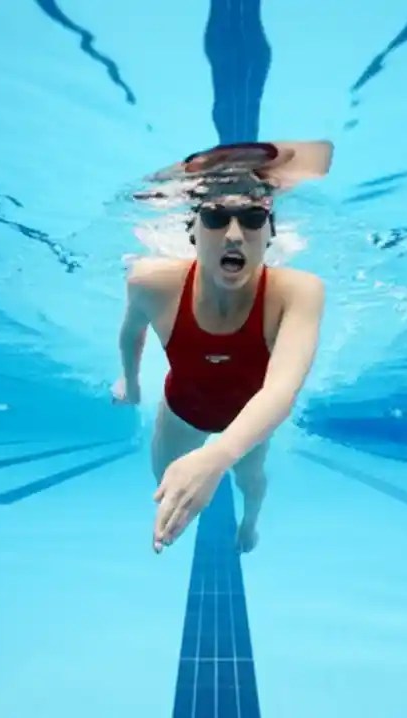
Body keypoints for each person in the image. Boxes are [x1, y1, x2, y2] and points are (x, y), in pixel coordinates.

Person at [112, 140, 332, 555]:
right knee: (167, 482)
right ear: (192, 231)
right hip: (180, 414)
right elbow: (130, 333)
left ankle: (249, 524)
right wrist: (131, 384)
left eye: (252, 218)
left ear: (270, 234)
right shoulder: (151, 283)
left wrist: (220, 454)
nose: (234, 234)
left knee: (251, 480)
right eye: (214, 217)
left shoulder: (298, 292)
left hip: (247, 419)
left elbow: (281, 390)